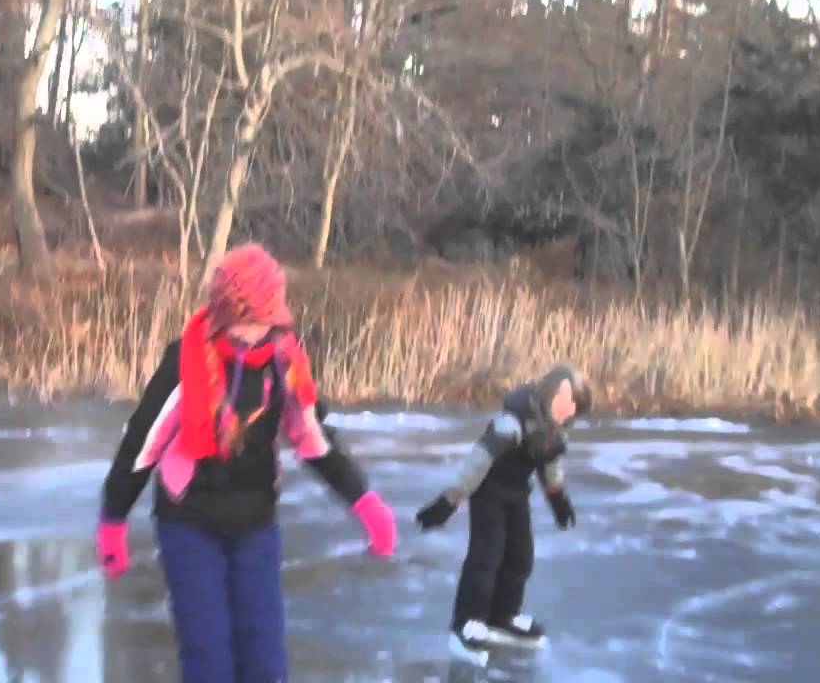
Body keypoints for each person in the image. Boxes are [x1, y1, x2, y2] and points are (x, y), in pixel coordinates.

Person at [95, 242, 398, 683]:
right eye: (243, 326)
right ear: (222, 315)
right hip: (189, 522)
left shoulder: (284, 361)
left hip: (255, 522)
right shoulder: (185, 361)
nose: (253, 336)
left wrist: (364, 502)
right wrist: (113, 519)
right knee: (209, 660)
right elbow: (142, 444)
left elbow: (312, 437)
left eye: (262, 323)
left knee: (265, 660)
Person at [414, 365, 591, 666]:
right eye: (570, 402)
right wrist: (448, 502)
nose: (572, 412)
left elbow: (548, 465)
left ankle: (502, 616)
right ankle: (467, 622)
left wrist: (558, 499)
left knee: (521, 557)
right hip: (488, 493)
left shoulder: (551, 430)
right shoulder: (510, 425)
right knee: (486, 557)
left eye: (577, 408)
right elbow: (477, 463)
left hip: (516, 494)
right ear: (552, 395)